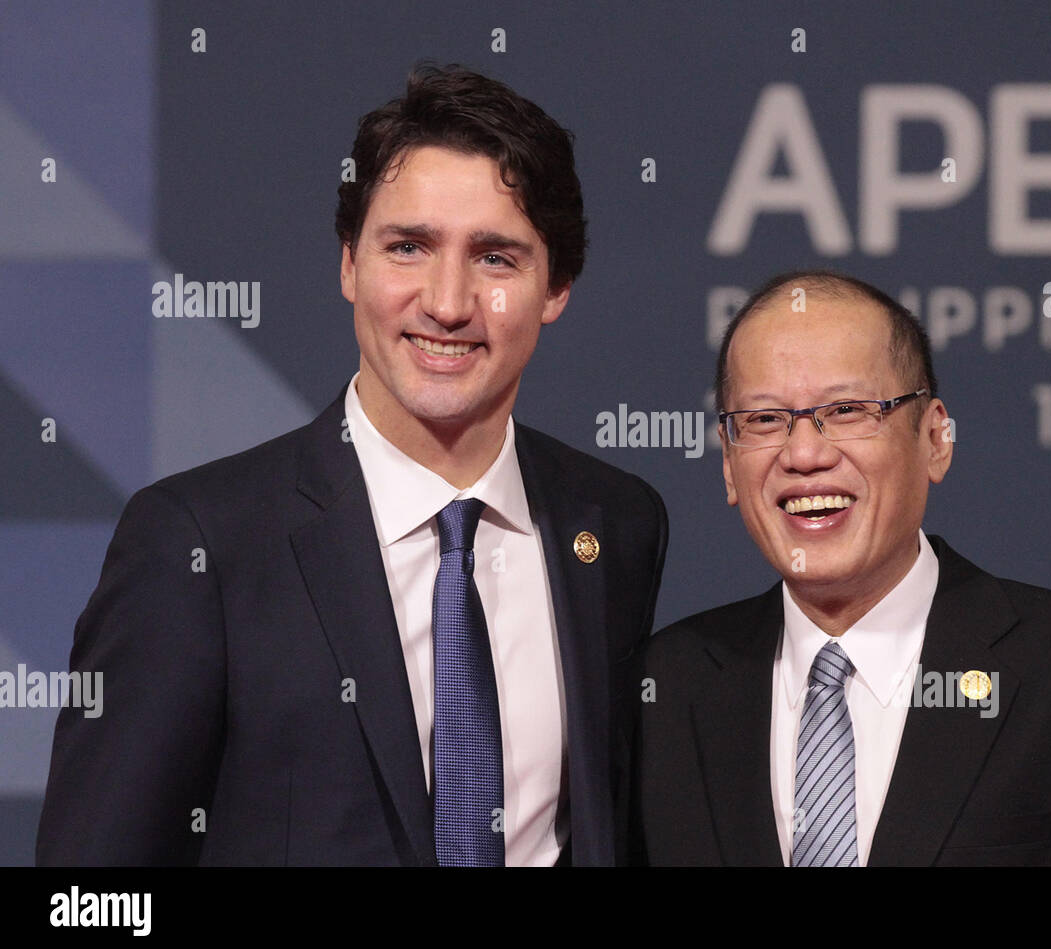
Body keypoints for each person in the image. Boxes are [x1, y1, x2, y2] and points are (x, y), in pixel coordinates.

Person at [37, 63, 668, 866]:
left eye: (496, 259)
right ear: (349, 265)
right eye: (408, 247)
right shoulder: (199, 545)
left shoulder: (614, 522)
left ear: (558, 287)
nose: (446, 302)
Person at [633, 269, 1051, 866]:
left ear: (936, 438)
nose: (804, 454)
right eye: (763, 420)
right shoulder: (663, 690)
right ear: (730, 465)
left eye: (846, 410)